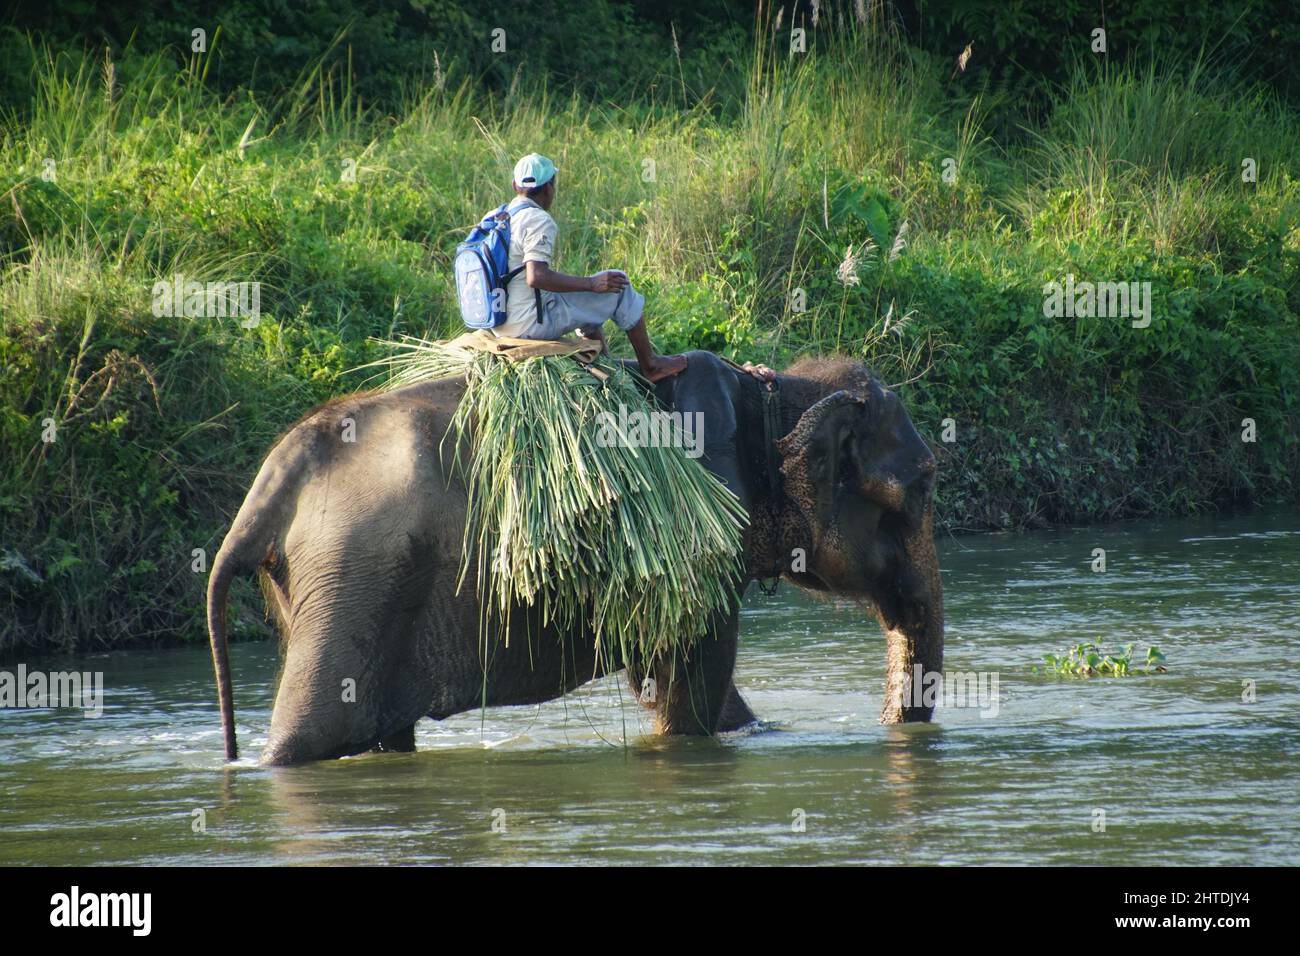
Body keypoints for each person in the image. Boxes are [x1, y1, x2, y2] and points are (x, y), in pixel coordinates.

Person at [496, 152, 689, 382]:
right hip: (530, 325)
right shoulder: (538, 219)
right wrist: (591, 283)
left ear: (514, 185)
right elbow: (536, 276)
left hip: (500, 324)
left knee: (583, 300)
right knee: (619, 285)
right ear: (549, 188)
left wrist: (586, 287)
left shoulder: (498, 216)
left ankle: (603, 363)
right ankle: (651, 365)